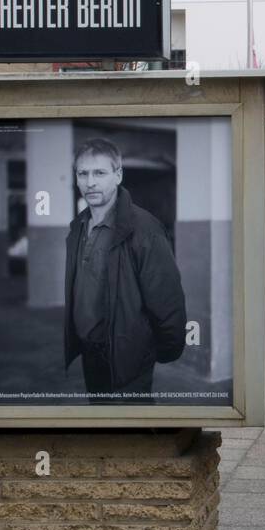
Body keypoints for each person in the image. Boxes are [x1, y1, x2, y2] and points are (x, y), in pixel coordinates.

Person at [63, 138, 187, 400]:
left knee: (132, 426)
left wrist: (160, 350)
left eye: (100, 173)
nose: (90, 182)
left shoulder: (144, 229)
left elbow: (167, 297)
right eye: (83, 173)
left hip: (128, 352)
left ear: (118, 175)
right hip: (90, 350)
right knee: (101, 424)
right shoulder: (78, 228)